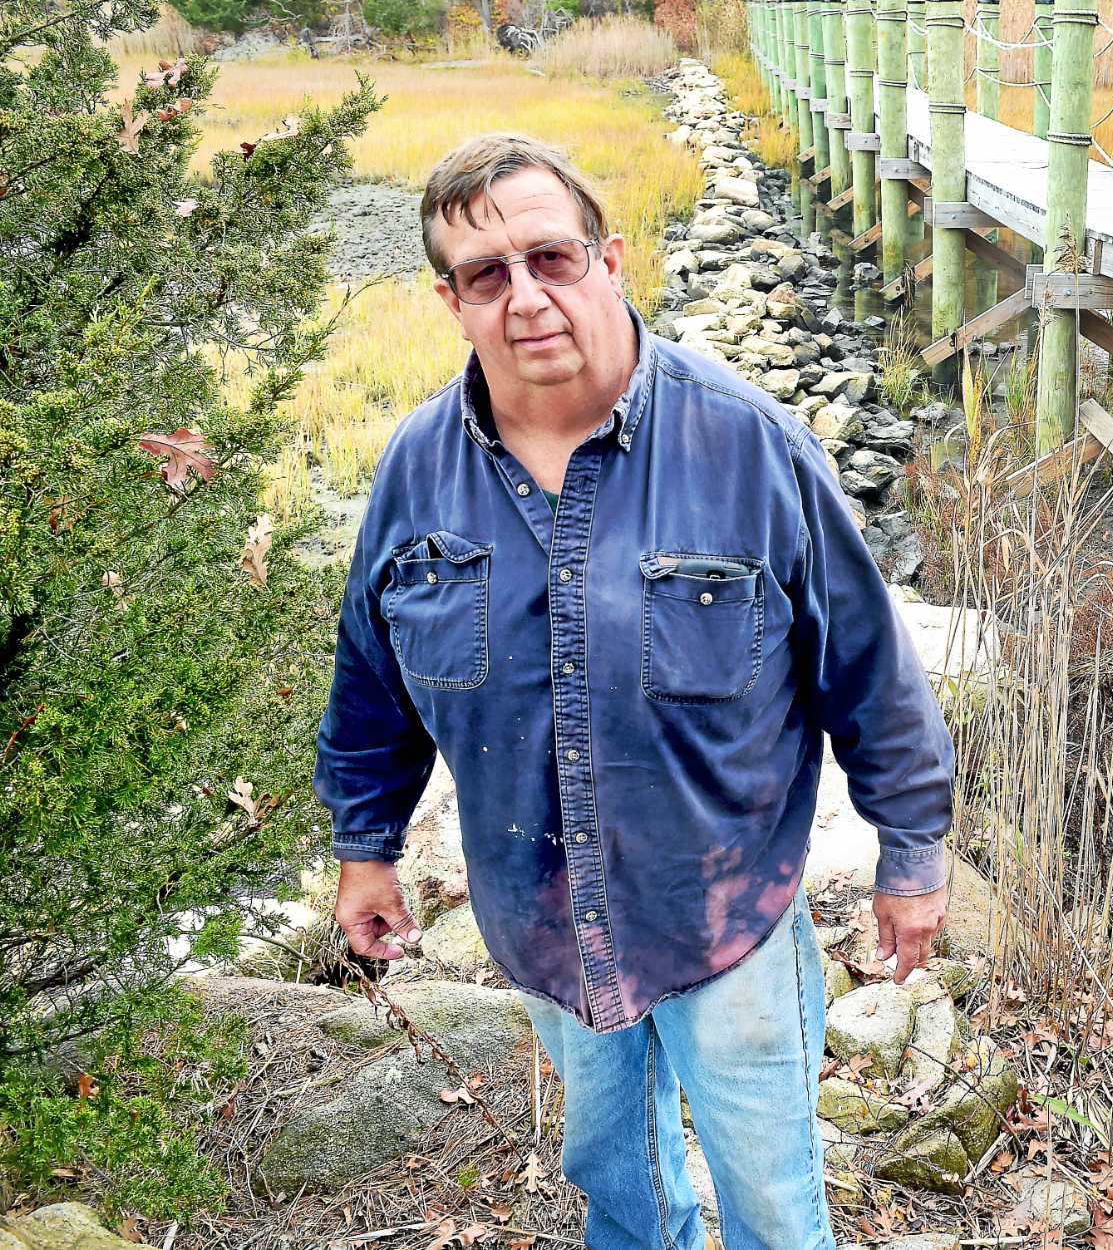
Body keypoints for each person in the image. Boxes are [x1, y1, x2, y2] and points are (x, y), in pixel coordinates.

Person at [314, 133, 954, 1250]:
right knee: (617, 1183)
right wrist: (364, 847)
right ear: (449, 300)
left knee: (770, 1197)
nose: (525, 298)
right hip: (543, 919)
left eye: (550, 258)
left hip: (727, 915)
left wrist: (911, 855)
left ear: (609, 259)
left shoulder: (749, 444)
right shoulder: (416, 467)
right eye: (486, 275)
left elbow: (869, 666)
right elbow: (370, 677)